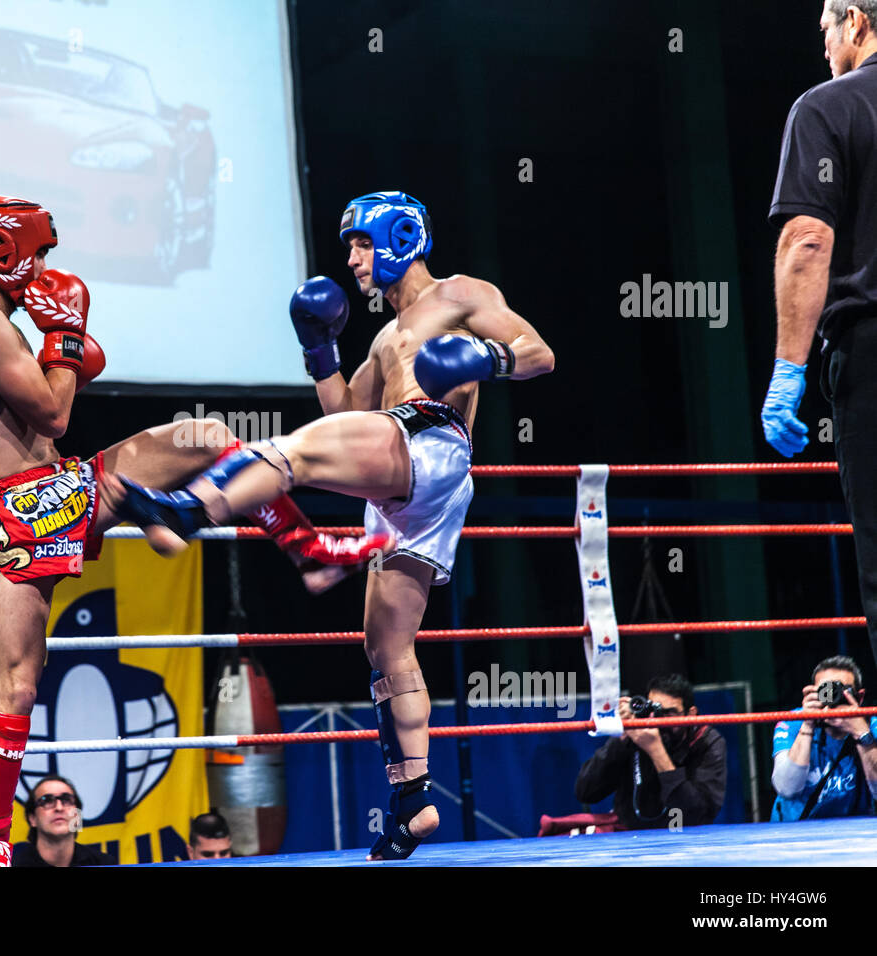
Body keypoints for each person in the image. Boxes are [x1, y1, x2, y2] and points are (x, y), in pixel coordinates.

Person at [0, 197, 386, 867]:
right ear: (7, 251)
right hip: (14, 511)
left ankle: (303, 547)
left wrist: (64, 349)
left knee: (205, 436)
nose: (43, 270)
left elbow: (46, 415)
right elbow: (55, 414)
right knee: (17, 687)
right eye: (39, 253)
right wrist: (64, 342)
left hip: (51, 494)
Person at [110, 191, 555, 859]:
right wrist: (319, 348)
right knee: (386, 648)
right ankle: (413, 803)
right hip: (406, 479)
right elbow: (343, 410)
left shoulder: (463, 294)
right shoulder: (383, 339)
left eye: (362, 245)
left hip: (430, 448)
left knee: (289, 452)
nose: (350, 260)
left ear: (402, 238)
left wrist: (484, 361)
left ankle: (189, 511)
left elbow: (539, 352)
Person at [762, 1, 877, 668]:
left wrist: (788, 373)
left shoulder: (828, 106)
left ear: (856, 21)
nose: (824, 47)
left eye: (827, 30)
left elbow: (807, 242)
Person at [574, 675, 727, 830]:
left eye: (669, 713)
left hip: (684, 838)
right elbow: (586, 792)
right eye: (654, 710)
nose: (658, 719)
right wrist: (621, 739)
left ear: (691, 714)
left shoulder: (706, 741)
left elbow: (695, 816)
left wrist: (656, 751)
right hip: (630, 835)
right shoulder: (636, 732)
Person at [771, 655, 877, 820]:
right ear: (814, 693)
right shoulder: (793, 722)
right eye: (826, 690)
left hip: (854, 831)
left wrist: (861, 733)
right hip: (794, 831)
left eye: (841, 691)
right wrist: (807, 726)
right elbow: (786, 788)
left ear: (860, 697)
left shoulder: (871, 725)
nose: (833, 697)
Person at [11, 775, 114, 867]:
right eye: (47, 801)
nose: (59, 808)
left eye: (67, 800)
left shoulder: (103, 863)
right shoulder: (12, 862)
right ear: (32, 818)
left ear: (77, 816)